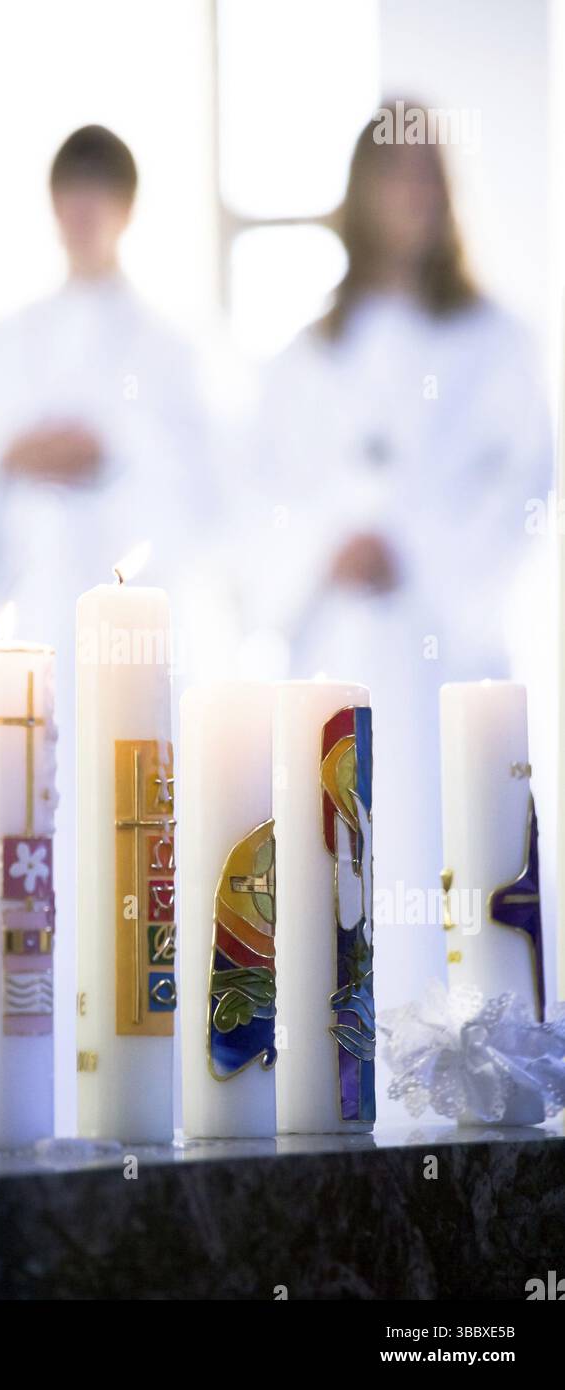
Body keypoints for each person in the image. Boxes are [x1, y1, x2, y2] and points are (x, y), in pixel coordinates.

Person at [255, 103, 552, 1051]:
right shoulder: (308, 354)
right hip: (343, 644)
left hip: (445, 655)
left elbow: (526, 484)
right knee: (347, 873)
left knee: (451, 864)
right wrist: (321, 547)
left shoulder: (494, 343)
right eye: (396, 172)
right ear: (360, 191)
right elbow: (256, 501)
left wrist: (414, 545)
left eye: (431, 172)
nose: (415, 192)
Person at [0, 125, 211, 1133]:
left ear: (125, 209)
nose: (84, 214)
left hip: (129, 654)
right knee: (24, 847)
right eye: (70, 196)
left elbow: (203, 494)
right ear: (54, 207)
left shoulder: (168, 350)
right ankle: (24, 1093)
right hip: (26, 641)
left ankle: (134, 1090)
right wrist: (8, 454)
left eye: (102, 197)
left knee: (126, 850)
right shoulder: (1, 343)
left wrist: (110, 447)